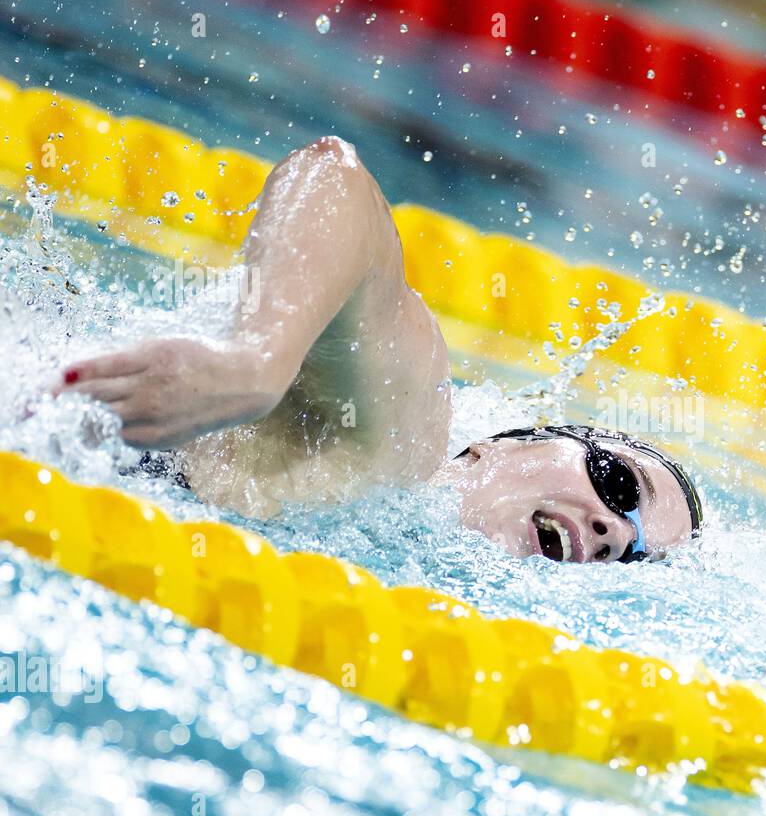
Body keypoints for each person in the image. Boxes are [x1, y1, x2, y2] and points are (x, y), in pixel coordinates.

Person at [54, 137, 702, 563]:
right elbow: (334, 178)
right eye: (619, 485)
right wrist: (256, 362)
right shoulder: (405, 440)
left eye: (631, 554)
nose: (613, 532)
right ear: (510, 443)